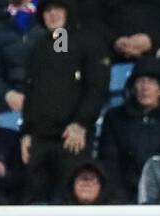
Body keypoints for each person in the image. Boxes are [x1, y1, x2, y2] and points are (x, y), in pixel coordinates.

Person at [17, 0, 109, 203]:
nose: (52, 14)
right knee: (34, 201)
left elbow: (97, 88)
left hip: (72, 138)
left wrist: (81, 123)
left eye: (57, 9)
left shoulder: (87, 42)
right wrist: (26, 132)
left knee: (71, 201)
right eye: (47, 10)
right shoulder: (38, 48)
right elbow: (31, 93)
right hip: (40, 139)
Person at [96, 58, 160, 199]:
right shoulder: (115, 118)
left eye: (151, 82)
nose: (145, 87)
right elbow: (109, 161)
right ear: (133, 87)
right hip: (124, 195)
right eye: (140, 81)